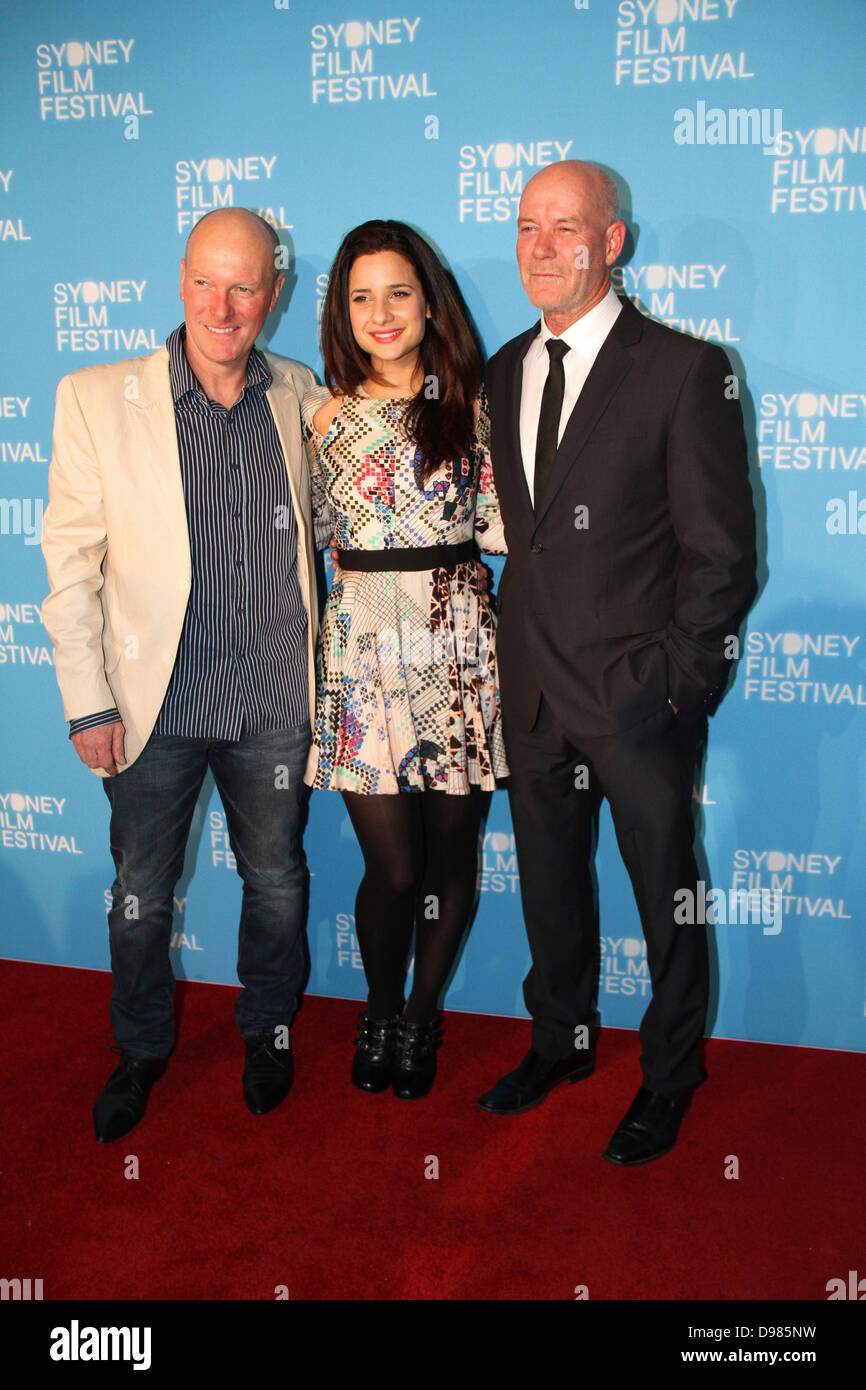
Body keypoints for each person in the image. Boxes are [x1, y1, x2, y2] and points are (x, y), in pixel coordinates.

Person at [478, 161, 756, 1164]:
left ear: (612, 242)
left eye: (565, 226)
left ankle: (670, 1073)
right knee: (549, 887)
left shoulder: (682, 369)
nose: (542, 245)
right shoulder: (504, 365)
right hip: (533, 691)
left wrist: (677, 685)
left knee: (662, 897)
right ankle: (559, 1039)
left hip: (638, 698)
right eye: (525, 226)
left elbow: (720, 553)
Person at [42, 207, 318, 1142]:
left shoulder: (301, 394)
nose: (224, 305)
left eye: (245, 286)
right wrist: (87, 704)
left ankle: (268, 1029)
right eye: (207, 281)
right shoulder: (95, 398)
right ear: (181, 282)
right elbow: (71, 565)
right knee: (140, 895)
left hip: (276, 699)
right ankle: (143, 1050)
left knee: (276, 881)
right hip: (152, 706)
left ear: (273, 295)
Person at [303, 220, 507, 1099]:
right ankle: (379, 1007)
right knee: (394, 867)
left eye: (397, 292)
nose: (380, 314)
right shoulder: (320, 417)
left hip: (457, 647)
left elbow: (507, 530)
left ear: (429, 300)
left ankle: (421, 1020)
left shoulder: (478, 406)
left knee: (451, 856)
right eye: (360, 296)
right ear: (340, 313)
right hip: (362, 654)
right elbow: (306, 541)